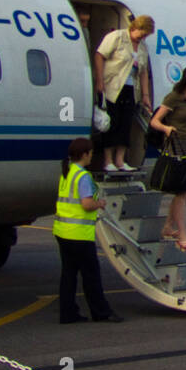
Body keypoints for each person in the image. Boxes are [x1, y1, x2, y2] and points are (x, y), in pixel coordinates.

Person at [55, 137, 123, 323]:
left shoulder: (67, 173)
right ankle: (101, 312)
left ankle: (67, 313)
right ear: (84, 154)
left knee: (68, 275)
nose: (92, 156)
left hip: (63, 231)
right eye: (91, 153)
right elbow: (86, 204)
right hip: (79, 233)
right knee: (91, 275)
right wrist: (99, 203)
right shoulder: (83, 176)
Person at [149, 63, 186, 253]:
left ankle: (168, 226)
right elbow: (155, 121)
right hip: (175, 146)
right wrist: (166, 129)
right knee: (181, 191)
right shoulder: (174, 97)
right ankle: (182, 234)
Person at [92, 14, 155, 171]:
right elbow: (99, 56)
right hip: (112, 87)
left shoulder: (142, 47)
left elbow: (143, 73)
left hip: (130, 89)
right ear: (135, 28)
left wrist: (145, 96)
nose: (143, 37)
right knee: (111, 123)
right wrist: (99, 81)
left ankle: (120, 160)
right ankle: (108, 161)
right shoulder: (117, 37)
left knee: (125, 124)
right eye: (143, 33)